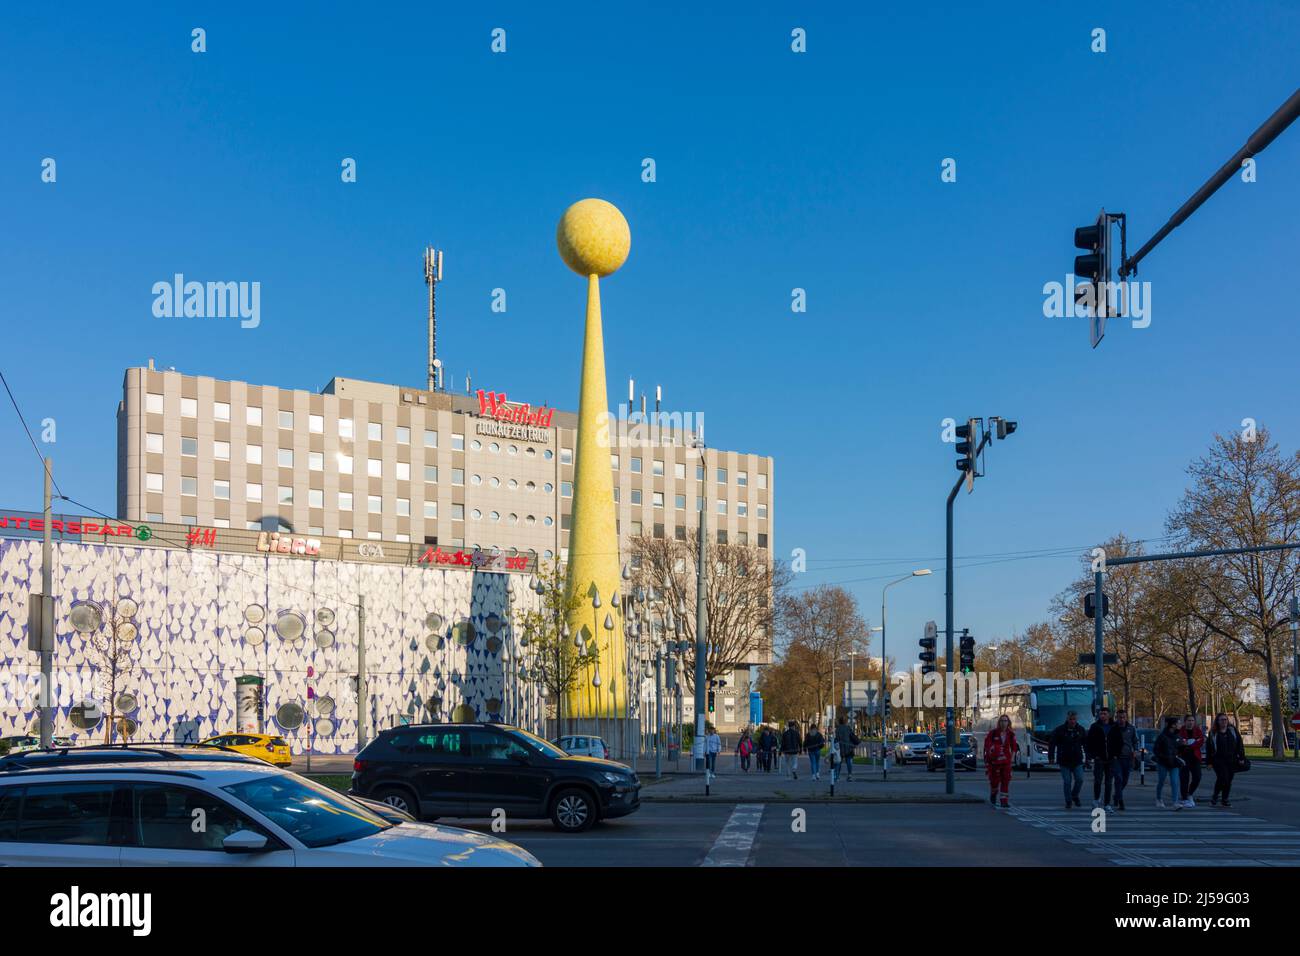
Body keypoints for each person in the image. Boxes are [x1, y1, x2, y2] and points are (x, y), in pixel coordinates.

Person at [1048, 710, 1088, 810]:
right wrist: (1051, 757)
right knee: (1067, 782)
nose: (1072, 721)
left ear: (1076, 719)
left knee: (1080, 779)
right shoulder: (1059, 730)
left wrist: (1088, 757)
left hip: (1077, 760)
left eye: (1074, 719)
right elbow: (1052, 743)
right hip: (1064, 760)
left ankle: (1074, 795)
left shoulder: (1081, 730)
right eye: (1070, 719)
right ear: (1067, 719)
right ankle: (1068, 801)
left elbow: (1086, 744)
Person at [1207, 712, 1244, 807]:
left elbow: (1239, 744)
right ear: (1217, 722)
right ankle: (1215, 796)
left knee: (1229, 780)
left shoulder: (1232, 731)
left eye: (1225, 719)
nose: (1224, 721)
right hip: (1218, 760)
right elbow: (1209, 748)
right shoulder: (1213, 733)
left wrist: (1241, 757)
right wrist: (1209, 762)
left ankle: (1224, 799)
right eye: (1222, 720)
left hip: (1231, 759)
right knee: (1223, 778)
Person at [982, 714, 1019, 808]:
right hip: (994, 762)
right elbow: (987, 746)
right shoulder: (993, 733)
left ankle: (1004, 801)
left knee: (1005, 781)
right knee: (994, 781)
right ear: (999, 722)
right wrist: (991, 754)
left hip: (1006, 762)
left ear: (1008, 722)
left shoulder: (1011, 734)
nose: (1004, 723)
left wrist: (1011, 760)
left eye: (1005, 721)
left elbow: (1014, 748)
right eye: (1002, 721)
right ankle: (993, 793)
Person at [1107, 708, 1139, 811]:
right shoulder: (1113, 729)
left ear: (1126, 718)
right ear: (1117, 718)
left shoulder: (1131, 728)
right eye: (1120, 717)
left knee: (1124, 780)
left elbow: (1135, 741)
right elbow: (1109, 744)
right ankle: (1120, 801)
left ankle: (1117, 795)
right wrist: (1112, 755)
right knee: (1118, 779)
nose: (1121, 719)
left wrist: (1136, 750)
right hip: (1117, 758)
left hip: (1128, 757)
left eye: (1123, 717)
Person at [1085, 706, 1114, 810]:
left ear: (1109, 715)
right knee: (1097, 780)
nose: (1103, 716)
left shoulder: (1114, 726)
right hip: (1099, 758)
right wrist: (1091, 755)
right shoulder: (1095, 726)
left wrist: (1116, 754)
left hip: (1111, 758)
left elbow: (1118, 741)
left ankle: (1107, 804)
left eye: (1105, 714)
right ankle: (1096, 799)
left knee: (1109, 782)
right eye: (1101, 714)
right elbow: (1089, 742)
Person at [1153, 715, 1184, 810]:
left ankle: (1175, 802)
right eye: (1178, 723)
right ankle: (1158, 799)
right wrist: (1163, 757)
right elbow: (1156, 749)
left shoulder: (1178, 736)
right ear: (1173, 725)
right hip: (1163, 763)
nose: (1180, 725)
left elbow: (1180, 748)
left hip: (1174, 763)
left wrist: (1180, 755)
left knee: (1175, 782)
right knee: (1161, 781)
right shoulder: (1162, 736)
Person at [1179, 713, 1205, 808]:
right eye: (1189, 720)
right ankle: (1184, 798)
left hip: (1195, 757)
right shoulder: (1181, 731)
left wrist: (1190, 745)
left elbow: (1201, 741)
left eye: (1192, 721)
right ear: (1185, 722)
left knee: (1197, 777)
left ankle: (1190, 793)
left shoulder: (1197, 730)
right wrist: (1188, 743)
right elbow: (1180, 741)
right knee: (1184, 778)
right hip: (1184, 757)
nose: (1191, 722)